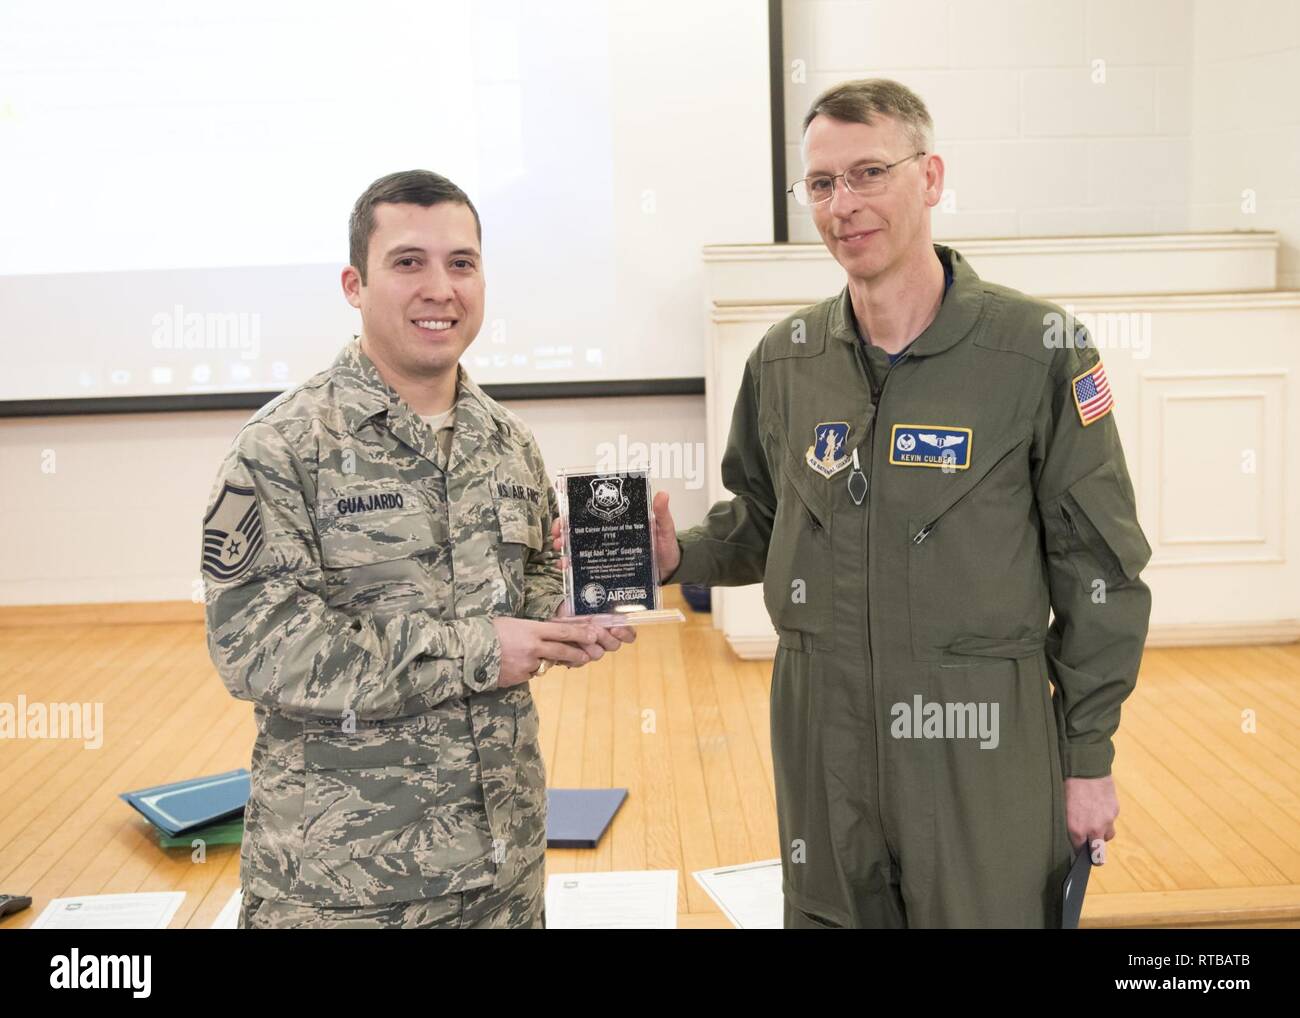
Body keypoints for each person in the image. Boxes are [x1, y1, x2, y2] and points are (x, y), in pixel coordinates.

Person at [607, 79, 1153, 927]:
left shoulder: (1039, 352)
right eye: (821, 184)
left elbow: (1101, 572)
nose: (843, 205)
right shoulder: (785, 361)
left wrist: (1088, 756)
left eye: (868, 173)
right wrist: (681, 555)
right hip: (823, 730)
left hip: (979, 736)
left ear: (930, 177)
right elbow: (759, 521)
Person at [202, 169, 633, 929]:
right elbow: (258, 647)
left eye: (461, 263)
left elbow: (520, 594)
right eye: (409, 262)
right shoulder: (278, 451)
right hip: (344, 890)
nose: (441, 287)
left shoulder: (507, 444)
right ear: (354, 284)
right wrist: (474, 651)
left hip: (504, 870)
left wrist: (574, 607)